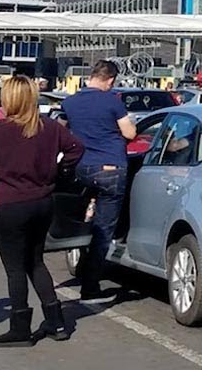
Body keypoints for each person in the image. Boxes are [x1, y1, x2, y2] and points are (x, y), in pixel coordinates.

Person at [0, 75, 84, 347]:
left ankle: (20, 327)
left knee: (15, 268)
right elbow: (76, 148)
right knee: (35, 261)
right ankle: (56, 320)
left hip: (11, 203)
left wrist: (6, 175)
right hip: (42, 202)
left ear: (8, 99)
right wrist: (59, 172)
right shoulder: (49, 127)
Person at [60, 60, 136, 304]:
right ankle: (90, 287)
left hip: (81, 168)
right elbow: (130, 133)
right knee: (104, 230)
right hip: (111, 168)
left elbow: (60, 131)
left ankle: (79, 245)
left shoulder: (70, 102)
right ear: (111, 80)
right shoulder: (113, 102)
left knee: (80, 217)